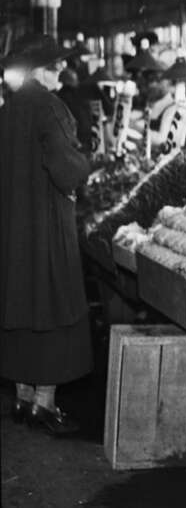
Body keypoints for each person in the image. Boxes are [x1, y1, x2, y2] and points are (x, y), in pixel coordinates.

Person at [0, 33, 93, 435]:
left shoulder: (10, 107)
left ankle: (22, 397)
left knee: (17, 303)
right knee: (53, 302)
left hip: (11, 227)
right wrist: (86, 164)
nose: (62, 73)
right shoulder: (51, 107)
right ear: (42, 70)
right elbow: (67, 170)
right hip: (45, 225)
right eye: (56, 67)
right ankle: (44, 403)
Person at [57, 67, 95, 153]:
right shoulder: (81, 95)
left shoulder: (58, 97)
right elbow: (87, 117)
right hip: (83, 138)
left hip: (70, 141)